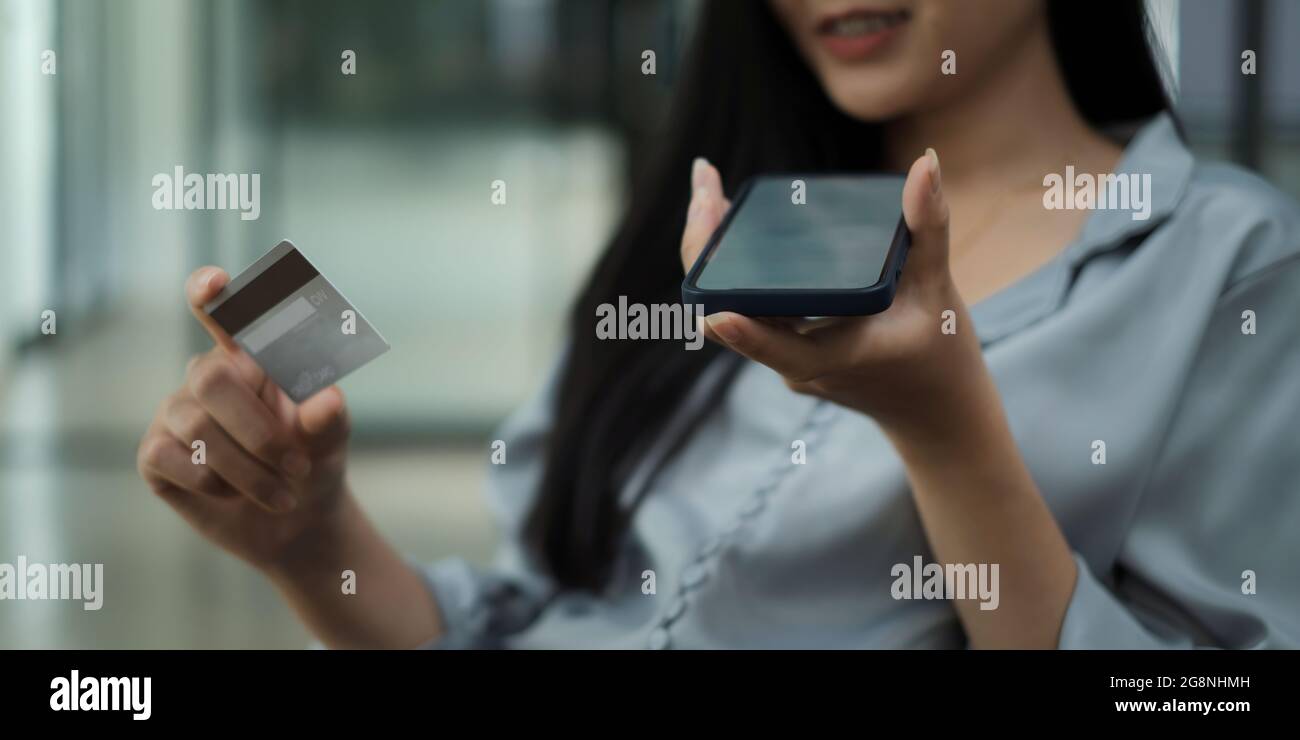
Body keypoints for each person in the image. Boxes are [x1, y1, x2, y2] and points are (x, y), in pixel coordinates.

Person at [136, 0, 1300, 649]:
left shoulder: (1225, 261)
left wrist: (946, 434)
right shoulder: (710, 223)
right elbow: (538, 612)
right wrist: (312, 538)